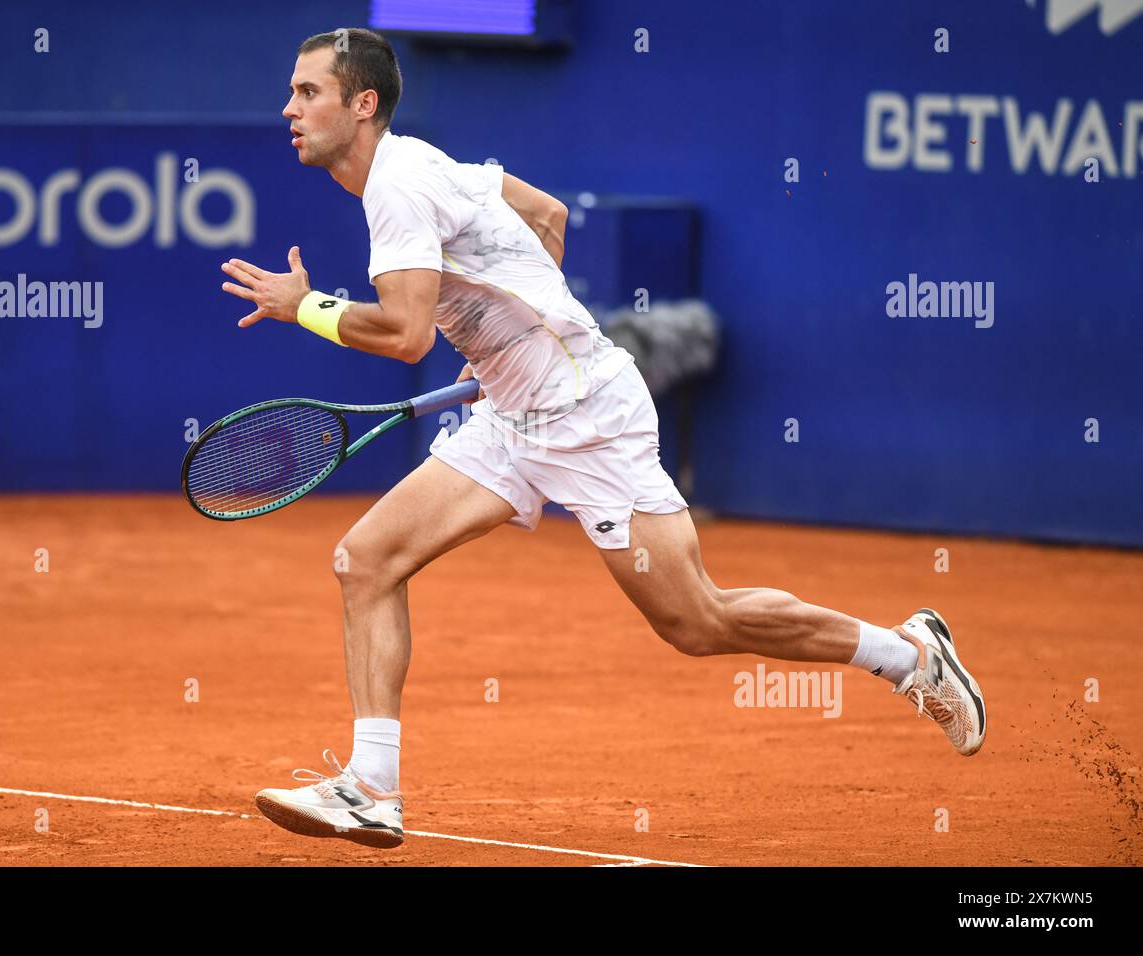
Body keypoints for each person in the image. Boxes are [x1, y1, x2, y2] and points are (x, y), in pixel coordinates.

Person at [219, 28, 986, 849]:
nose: (289, 110)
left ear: (361, 105)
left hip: (586, 417)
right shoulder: (422, 162)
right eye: (293, 93)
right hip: (516, 415)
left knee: (695, 622)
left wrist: (307, 307)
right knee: (367, 559)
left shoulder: (397, 186)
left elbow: (406, 336)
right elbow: (546, 213)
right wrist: (511, 346)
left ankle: (906, 655)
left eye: (308, 93)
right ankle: (372, 788)